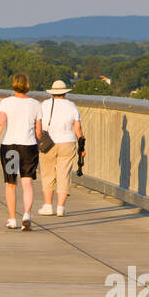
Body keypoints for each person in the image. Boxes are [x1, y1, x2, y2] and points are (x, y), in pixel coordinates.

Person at [0, 73, 43, 229]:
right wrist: (37, 146)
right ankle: (26, 214)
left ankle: (12, 219)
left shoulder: (5, 102)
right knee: (27, 183)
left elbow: (0, 124)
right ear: (27, 85)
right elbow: (38, 131)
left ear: (13, 84)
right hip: (29, 146)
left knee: (11, 183)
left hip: (10, 146)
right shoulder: (35, 104)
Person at [38, 80, 85, 216]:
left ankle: (48, 206)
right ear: (65, 92)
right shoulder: (72, 106)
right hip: (67, 142)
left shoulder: (45, 105)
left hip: (48, 143)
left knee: (47, 174)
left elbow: (38, 123)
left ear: (52, 92)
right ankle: (60, 207)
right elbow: (78, 129)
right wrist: (82, 146)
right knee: (64, 174)